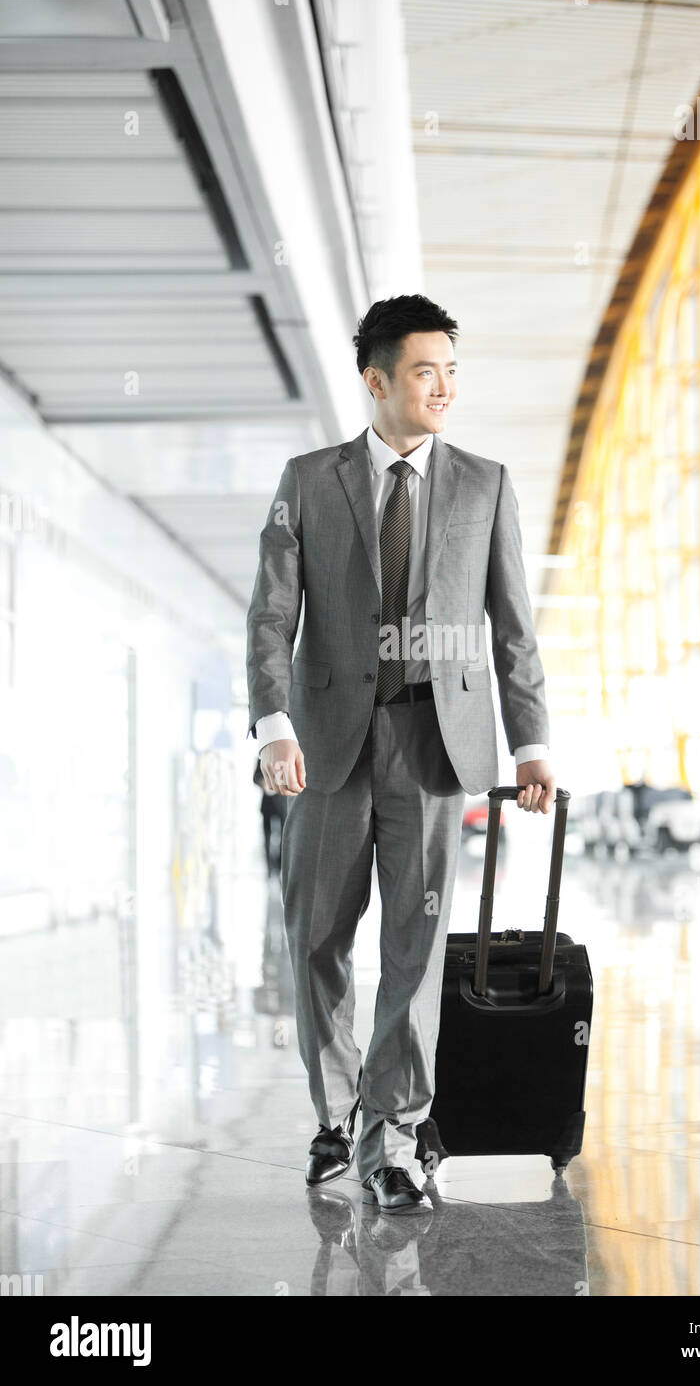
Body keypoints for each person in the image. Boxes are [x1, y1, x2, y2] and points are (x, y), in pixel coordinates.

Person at [246, 294, 554, 1214]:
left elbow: (513, 626)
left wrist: (532, 742)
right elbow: (270, 618)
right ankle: (334, 1114)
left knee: (415, 954)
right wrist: (273, 729)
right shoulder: (308, 481)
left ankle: (391, 1134)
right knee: (316, 944)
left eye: (453, 370)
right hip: (329, 747)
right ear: (375, 381)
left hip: (433, 744)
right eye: (426, 371)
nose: (445, 388)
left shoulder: (484, 483)